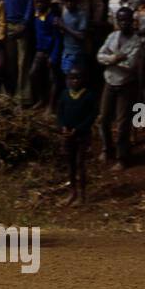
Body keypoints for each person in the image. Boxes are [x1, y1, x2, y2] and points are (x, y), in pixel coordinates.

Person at [96, 7, 145, 171]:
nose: (124, 23)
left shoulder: (137, 41)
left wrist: (110, 60)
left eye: (127, 20)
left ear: (132, 21)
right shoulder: (112, 36)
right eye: (121, 20)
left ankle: (122, 157)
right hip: (109, 81)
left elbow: (130, 65)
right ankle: (107, 148)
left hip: (126, 84)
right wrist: (115, 58)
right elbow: (99, 56)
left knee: (123, 123)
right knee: (103, 118)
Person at [56, 65, 98, 206]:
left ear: (83, 80)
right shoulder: (64, 94)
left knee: (80, 164)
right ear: (67, 79)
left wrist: (78, 129)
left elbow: (92, 116)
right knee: (70, 164)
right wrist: (62, 126)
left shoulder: (88, 95)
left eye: (77, 78)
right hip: (67, 136)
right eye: (71, 78)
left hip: (82, 136)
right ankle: (72, 192)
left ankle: (82, 194)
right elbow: (60, 113)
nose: (74, 81)